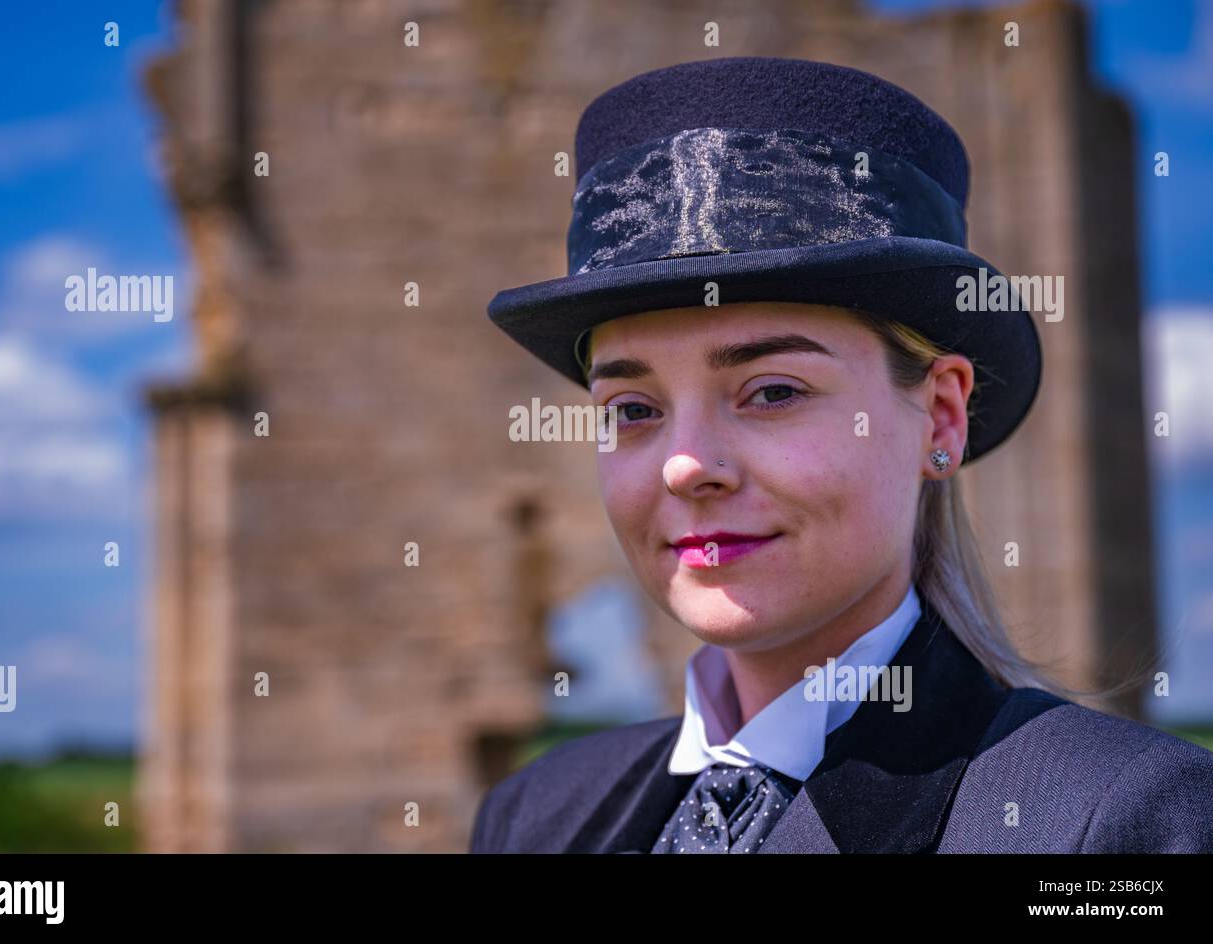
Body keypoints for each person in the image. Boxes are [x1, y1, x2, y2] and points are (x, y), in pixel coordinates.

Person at [471, 56, 1213, 853]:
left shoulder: (1115, 824)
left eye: (773, 391)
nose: (686, 466)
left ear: (939, 416)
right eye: (635, 409)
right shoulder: (536, 817)